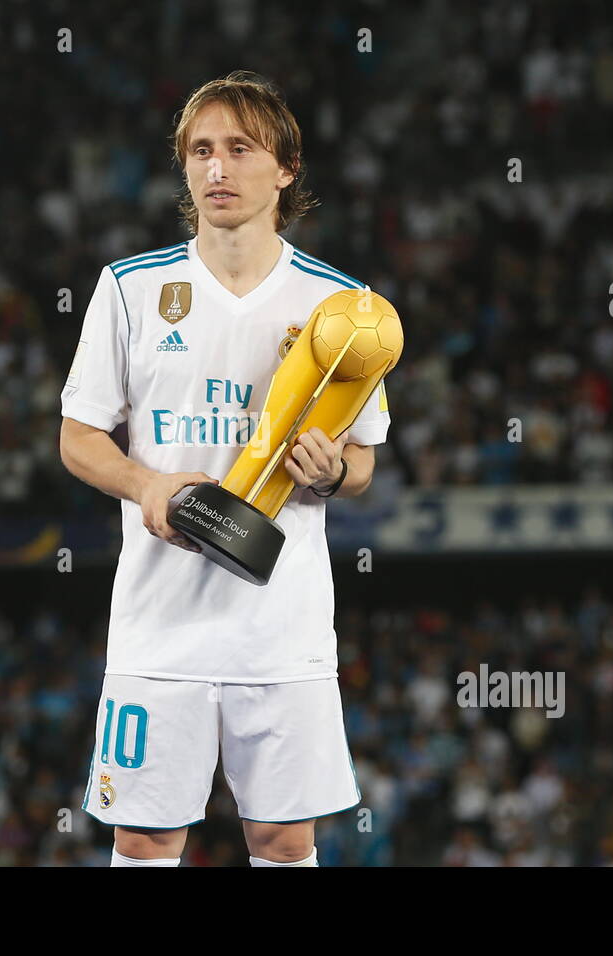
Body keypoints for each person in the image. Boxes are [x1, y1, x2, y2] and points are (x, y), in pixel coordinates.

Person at [59, 70, 391, 867]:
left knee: (283, 840)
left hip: (280, 625)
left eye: (241, 149)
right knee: (144, 838)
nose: (217, 169)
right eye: (201, 151)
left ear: (284, 169)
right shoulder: (132, 289)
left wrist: (328, 471)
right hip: (156, 622)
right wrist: (148, 484)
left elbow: (364, 463)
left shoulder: (342, 308)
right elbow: (77, 436)